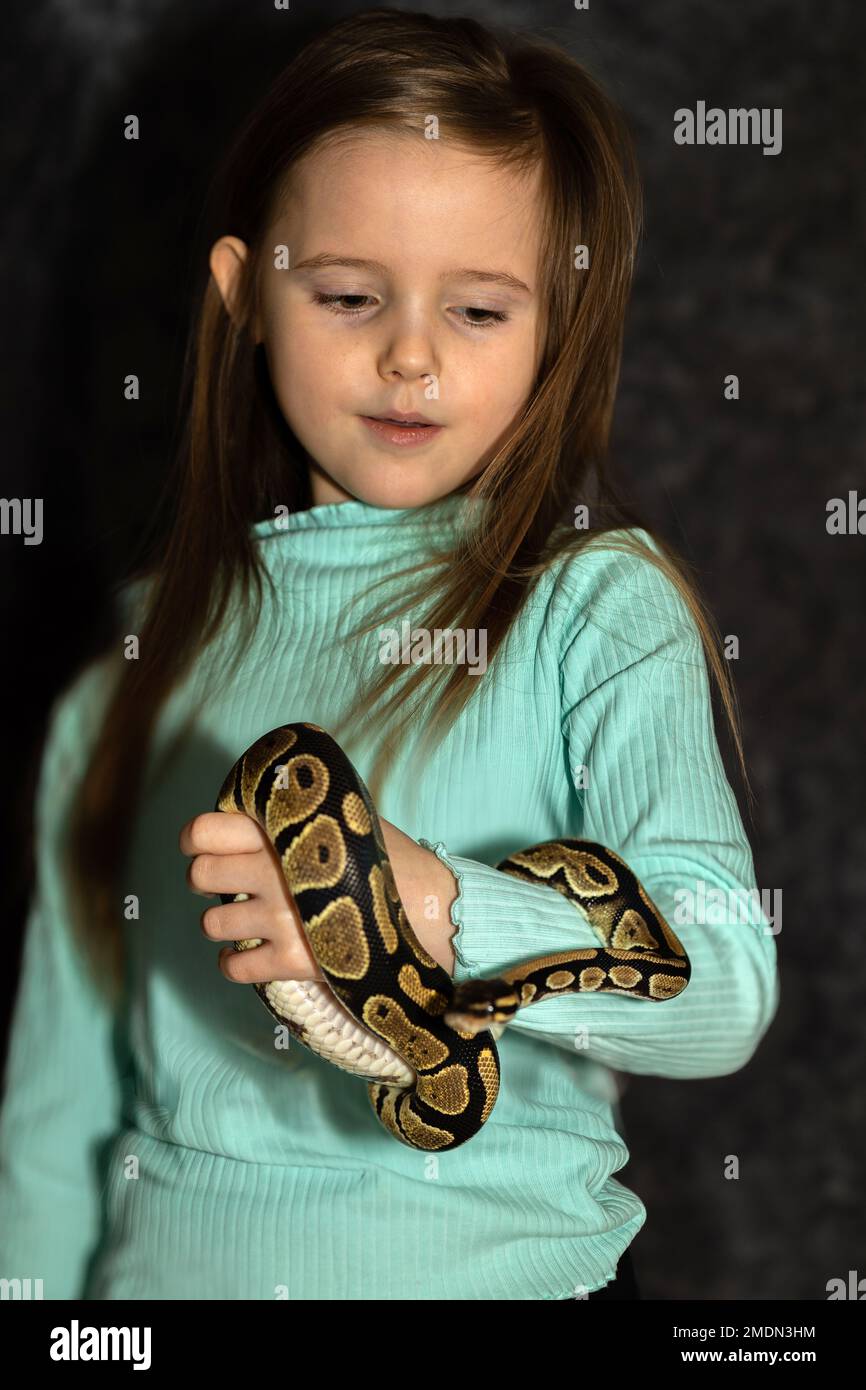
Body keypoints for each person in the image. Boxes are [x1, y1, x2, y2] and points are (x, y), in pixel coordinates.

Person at [0, 8, 780, 1301]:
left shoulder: (592, 605)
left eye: (477, 308)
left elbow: (723, 983)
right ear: (245, 294)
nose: (408, 354)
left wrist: (441, 908)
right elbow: (59, 1103)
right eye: (349, 295)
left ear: (556, 321)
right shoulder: (130, 674)